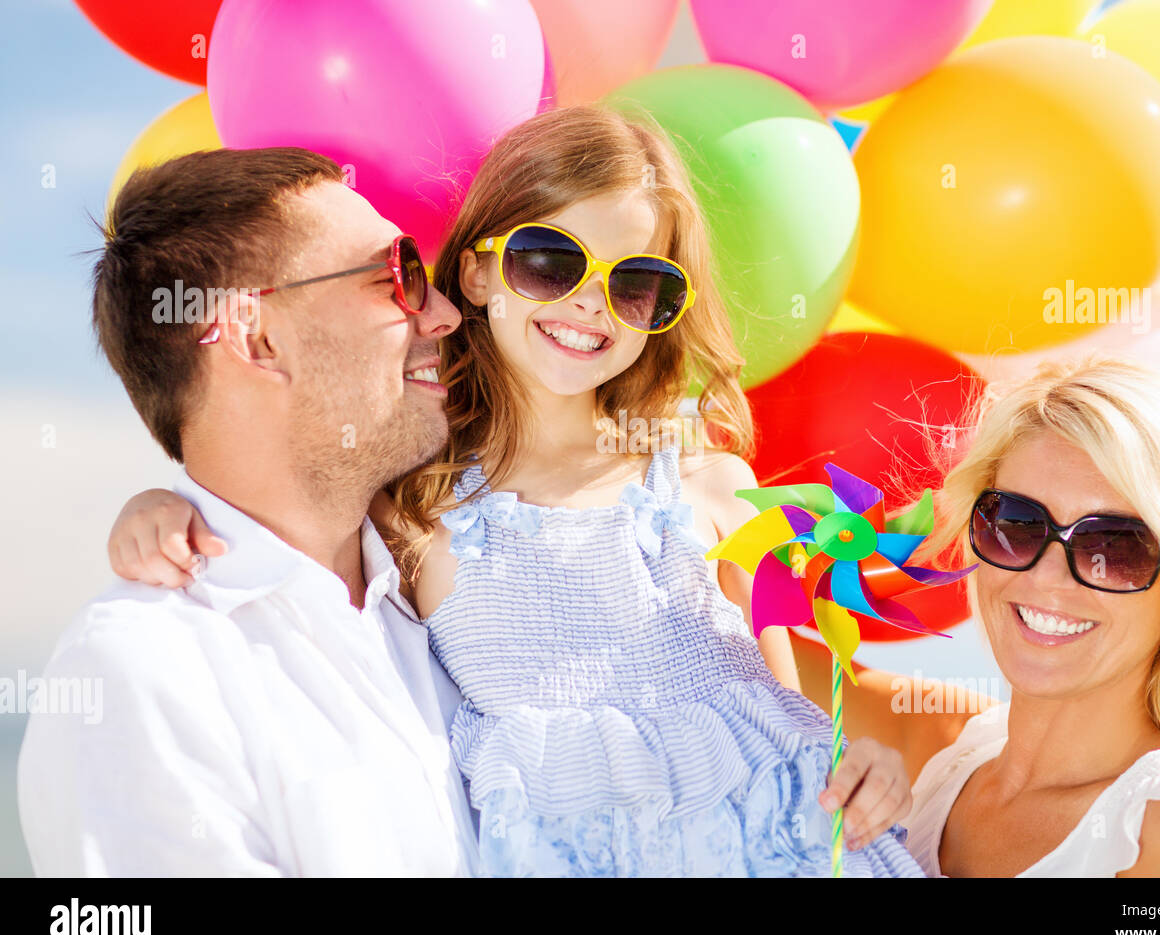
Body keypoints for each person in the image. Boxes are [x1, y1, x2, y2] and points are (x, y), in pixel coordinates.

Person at [102, 104, 923, 877]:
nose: (590, 303)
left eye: (636, 283)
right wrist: (162, 507)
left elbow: (786, 710)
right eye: (550, 262)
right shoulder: (413, 506)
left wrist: (860, 767)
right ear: (480, 274)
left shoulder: (711, 486)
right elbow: (281, 499)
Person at [18, 147, 479, 875]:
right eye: (400, 273)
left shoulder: (454, 605)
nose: (446, 313)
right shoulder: (138, 675)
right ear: (256, 337)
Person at [816, 356, 1160, 876]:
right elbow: (725, 644)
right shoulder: (935, 746)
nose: (1047, 577)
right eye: (1016, 523)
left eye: (1113, 546)